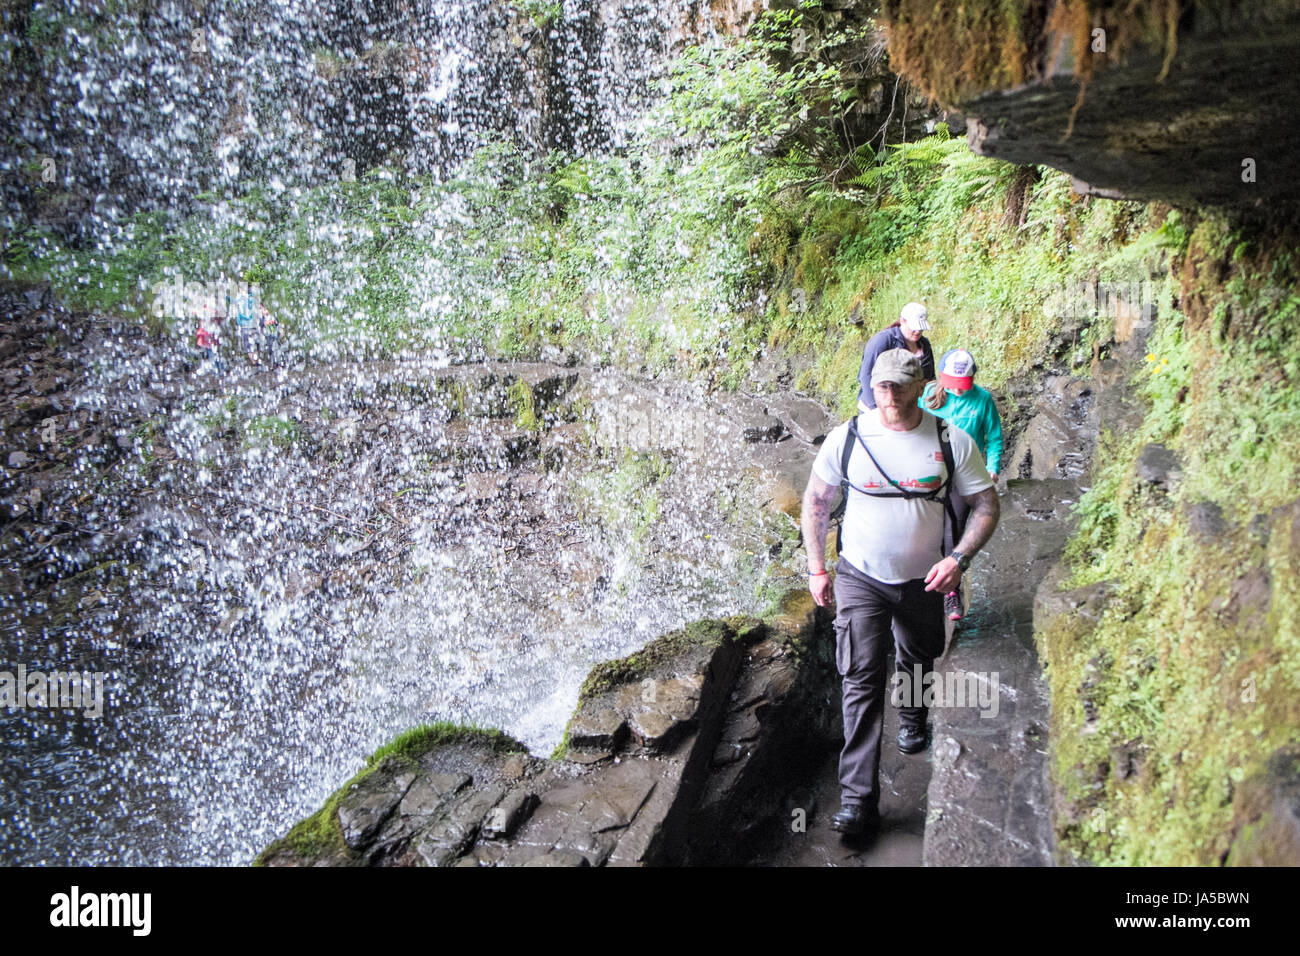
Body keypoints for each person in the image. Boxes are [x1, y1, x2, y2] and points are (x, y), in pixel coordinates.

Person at [802, 349, 1000, 837]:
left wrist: (960, 559)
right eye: (880, 386)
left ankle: (913, 718)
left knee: (919, 654)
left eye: (898, 386)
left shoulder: (949, 440)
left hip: (924, 578)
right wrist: (817, 568)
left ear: (919, 386)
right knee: (860, 680)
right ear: (871, 386)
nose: (888, 395)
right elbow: (817, 501)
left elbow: (985, 505)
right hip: (860, 576)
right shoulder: (846, 438)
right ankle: (857, 802)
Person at [920, 348, 1005, 622]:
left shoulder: (982, 400)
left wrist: (991, 468)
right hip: (929, 472)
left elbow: (993, 437)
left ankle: (951, 592)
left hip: (963, 475)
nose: (958, 392)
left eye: (963, 386)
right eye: (953, 386)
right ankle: (919, 585)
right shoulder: (928, 395)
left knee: (953, 530)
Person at [856, 302, 935, 410]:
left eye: (921, 328)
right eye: (914, 327)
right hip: (876, 406)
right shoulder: (882, 341)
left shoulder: (924, 345)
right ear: (902, 321)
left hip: (908, 408)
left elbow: (930, 378)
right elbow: (865, 375)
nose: (918, 331)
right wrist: (876, 409)